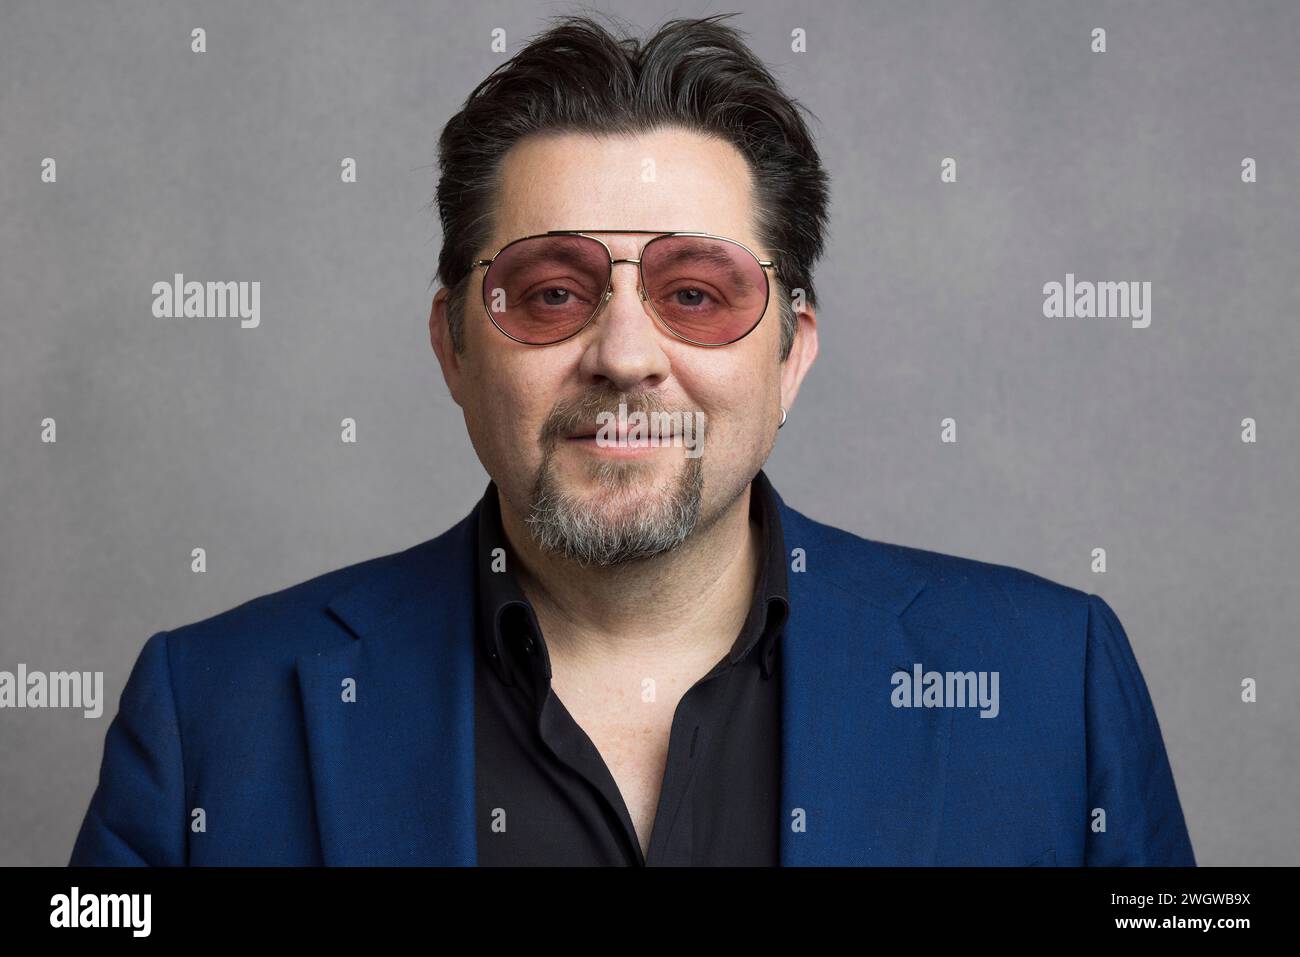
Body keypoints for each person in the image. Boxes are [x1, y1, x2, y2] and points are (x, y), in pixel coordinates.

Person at [70, 13, 1194, 866]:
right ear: (454, 346)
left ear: (792, 351)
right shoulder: (212, 716)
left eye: (695, 293)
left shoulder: (1052, 685)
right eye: (550, 292)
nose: (623, 354)